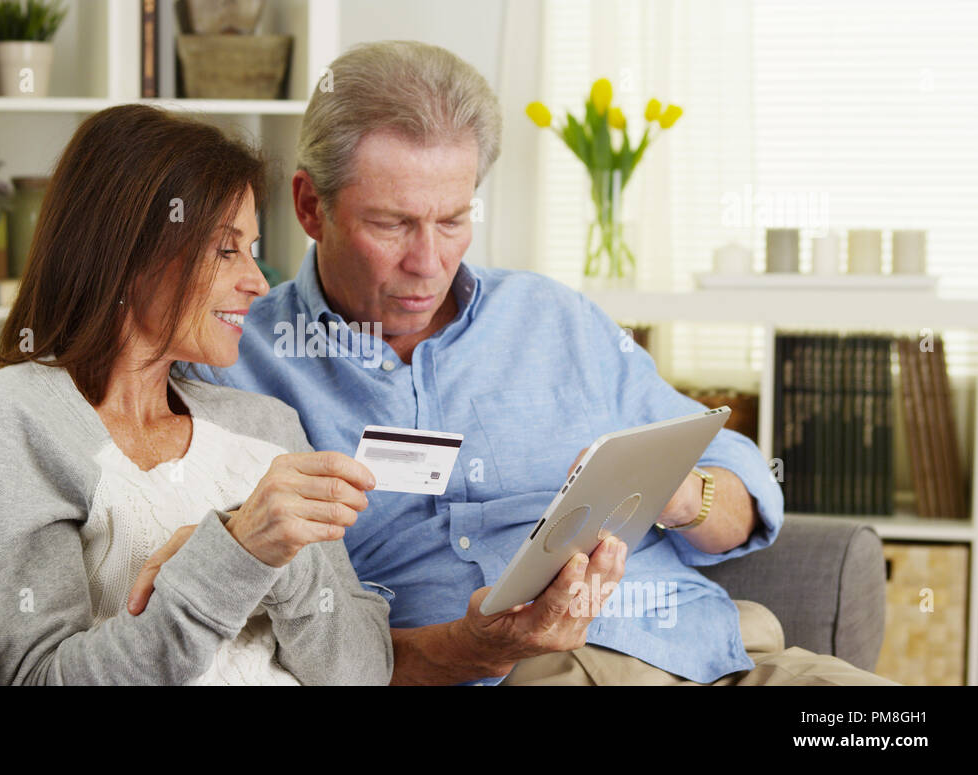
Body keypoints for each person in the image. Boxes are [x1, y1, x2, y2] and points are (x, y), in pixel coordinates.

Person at [147, 41, 894, 686]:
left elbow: (741, 500)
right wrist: (475, 646)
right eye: (391, 224)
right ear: (311, 208)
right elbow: (290, 630)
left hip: (712, 659)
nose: (428, 261)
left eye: (453, 220)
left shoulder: (554, 318)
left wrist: (681, 493)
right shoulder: (236, 362)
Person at [0, 104, 393, 685]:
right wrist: (235, 552)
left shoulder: (266, 424)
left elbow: (364, 674)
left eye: (252, 249)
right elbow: (39, 680)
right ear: (126, 251)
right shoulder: (3, 418)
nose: (257, 281)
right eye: (226, 250)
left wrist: (286, 565)